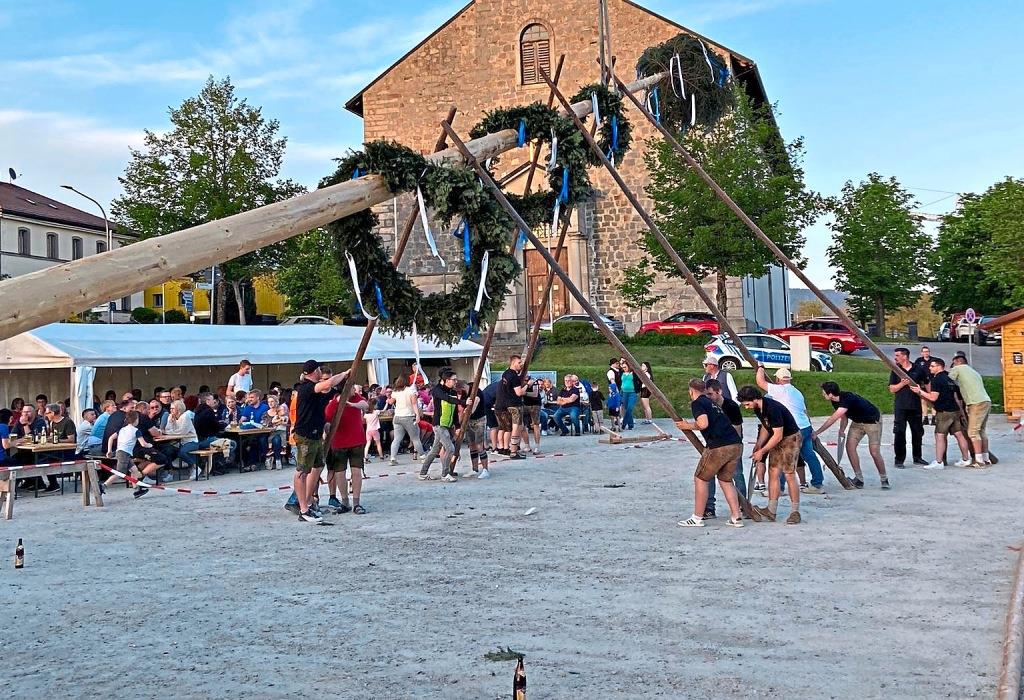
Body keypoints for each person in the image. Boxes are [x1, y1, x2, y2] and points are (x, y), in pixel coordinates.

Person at [288, 360, 351, 523]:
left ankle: (308, 502)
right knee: (301, 471)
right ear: (314, 371)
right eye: (318, 371)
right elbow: (328, 384)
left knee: (316, 468)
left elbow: (332, 389)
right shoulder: (306, 388)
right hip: (305, 436)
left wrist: (344, 382)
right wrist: (344, 373)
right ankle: (303, 509)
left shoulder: (318, 390)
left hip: (316, 436)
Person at [675, 379, 744, 528]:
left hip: (719, 446)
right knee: (726, 480)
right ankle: (736, 517)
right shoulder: (711, 402)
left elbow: (703, 424)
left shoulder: (698, 403)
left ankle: (697, 517)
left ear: (691, 391)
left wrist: (687, 425)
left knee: (700, 478)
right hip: (736, 444)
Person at [737, 385, 802, 525]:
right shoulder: (758, 408)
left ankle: (795, 512)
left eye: (747, 404)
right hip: (777, 439)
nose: (747, 407)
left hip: (790, 439)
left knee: (789, 474)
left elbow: (778, 435)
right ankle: (771, 510)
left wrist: (762, 451)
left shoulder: (772, 408)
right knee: (773, 473)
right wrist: (758, 444)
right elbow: (766, 428)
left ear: (755, 399)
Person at [755, 366, 825, 495]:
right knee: (810, 456)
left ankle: (779, 489)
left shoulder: (780, 390)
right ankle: (817, 484)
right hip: (805, 426)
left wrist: (760, 368)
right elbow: (805, 411)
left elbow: (760, 382)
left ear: (778, 379)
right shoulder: (797, 392)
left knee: (783, 456)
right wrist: (811, 428)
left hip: (793, 429)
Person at [815, 382, 889, 489]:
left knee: (874, 452)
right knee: (850, 447)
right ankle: (859, 479)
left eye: (824, 392)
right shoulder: (835, 401)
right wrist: (842, 430)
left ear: (830, 394)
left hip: (872, 421)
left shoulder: (847, 398)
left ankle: (884, 479)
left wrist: (817, 432)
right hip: (857, 422)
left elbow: (833, 418)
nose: (822, 394)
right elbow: (844, 417)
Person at [911, 357, 971, 469]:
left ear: (939, 366)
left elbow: (933, 397)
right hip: (955, 410)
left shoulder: (937, 380)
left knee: (939, 436)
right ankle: (966, 459)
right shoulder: (949, 377)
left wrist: (919, 391)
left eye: (932, 366)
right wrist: (961, 412)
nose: (930, 368)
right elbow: (957, 397)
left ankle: (939, 462)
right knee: (959, 434)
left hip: (944, 412)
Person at [704, 378, 748, 519]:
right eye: (706, 395)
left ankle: (744, 506)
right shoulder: (707, 406)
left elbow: (737, 430)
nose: (708, 397)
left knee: (737, 475)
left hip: (731, 446)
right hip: (714, 446)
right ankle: (709, 508)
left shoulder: (731, 406)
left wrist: (734, 450)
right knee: (708, 475)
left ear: (719, 391)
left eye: (710, 394)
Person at [325, 384, 368, 514]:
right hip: (339, 442)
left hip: (357, 440)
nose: (354, 390)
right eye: (351, 388)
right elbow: (327, 417)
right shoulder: (333, 402)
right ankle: (344, 501)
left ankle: (356, 503)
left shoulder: (356, 398)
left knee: (356, 472)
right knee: (340, 473)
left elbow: (365, 405)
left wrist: (351, 404)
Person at [418, 369, 465, 481]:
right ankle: (445, 475)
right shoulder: (437, 390)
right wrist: (463, 402)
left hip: (447, 425)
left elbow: (453, 411)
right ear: (446, 380)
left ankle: (422, 473)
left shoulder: (453, 392)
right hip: (439, 424)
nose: (455, 382)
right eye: (454, 379)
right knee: (450, 448)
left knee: (434, 450)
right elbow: (447, 399)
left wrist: (457, 426)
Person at [888, 347, 928, 468]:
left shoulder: (918, 369)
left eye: (898, 355)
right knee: (899, 432)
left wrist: (924, 392)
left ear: (905, 356)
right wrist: (902, 384)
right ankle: (899, 460)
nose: (895, 358)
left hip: (915, 406)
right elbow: (891, 389)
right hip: (901, 406)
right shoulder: (896, 370)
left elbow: (926, 383)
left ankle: (917, 457)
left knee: (917, 432)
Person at [948, 355, 992, 467]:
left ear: (957, 362)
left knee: (972, 432)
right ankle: (986, 458)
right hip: (986, 401)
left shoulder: (958, 368)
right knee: (981, 430)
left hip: (975, 403)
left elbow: (948, 381)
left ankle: (978, 460)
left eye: (953, 364)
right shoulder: (973, 371)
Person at [106, 410, 156, 499]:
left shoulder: (122, 429)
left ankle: (137, 490)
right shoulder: (136, 431)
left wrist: (109, 450)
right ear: (136, 420)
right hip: (124, 453)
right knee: (120, 473)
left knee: (134, 470)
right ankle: (103, 486)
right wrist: (150, 445)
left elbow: (111, 438)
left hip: (120, 452)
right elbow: (143, 444)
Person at [493, 355, 528, 460]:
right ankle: (513, 451)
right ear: (513, 363)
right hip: (515, 404)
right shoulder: (514, 376)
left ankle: (508, 448)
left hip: (507, 404)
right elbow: (519, 392)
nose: (521, 365)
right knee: (516, 428)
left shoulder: (506, 373)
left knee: (507, 428)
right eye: (519, 363)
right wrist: (528, 385)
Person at [389, 375, 425, 466]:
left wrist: (388, 400)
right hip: (408, 416)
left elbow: (391, 402)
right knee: (415, 438)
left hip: (397, 417)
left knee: (397, 439)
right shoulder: (411, 390)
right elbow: (414, 403)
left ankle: (393, 458)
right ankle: (423, 457)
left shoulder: (395, 391)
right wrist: (417, 415)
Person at [461, 380, 491, 479]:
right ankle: (474, 469)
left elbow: (476, 400)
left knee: (479, 445)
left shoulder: (475, 390)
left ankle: (485, 469)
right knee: (472, 445)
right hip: (469, 421)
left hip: (479, 420)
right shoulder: (463, 393)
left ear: (462, 387)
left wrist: (469, 411)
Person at [238, 390, 270, 471]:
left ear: (258, 398)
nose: (249, 399)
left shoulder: (265, 407)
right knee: (243, 442)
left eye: (252, 397)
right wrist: (242, 422)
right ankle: (249, 464)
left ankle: (265, 459)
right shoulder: (247, 408)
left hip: (263, 432)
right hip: (250, 433)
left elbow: (268, 421)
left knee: (259, 440)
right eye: (249, 397)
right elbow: (241, 421)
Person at [262, 394, 288, 469]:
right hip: (268, 432)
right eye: (269, 402)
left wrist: (277, 422)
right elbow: (265, 423)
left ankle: (278, 460)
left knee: (277, 439)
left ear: (276, 402)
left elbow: (285, 421)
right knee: (262, 439)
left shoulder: (281, 411)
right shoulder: (265, 413)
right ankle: (268, 458)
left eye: (272, 401)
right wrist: (277, 422)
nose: (270, 403)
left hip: (279, 432)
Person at [522, 372, 543, 455]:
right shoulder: (521, 381)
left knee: (535, 425)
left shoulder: (533, 381)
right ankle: (527, 445)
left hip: (535, 404)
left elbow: (535, 394)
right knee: (523, 426)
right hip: (525, 404)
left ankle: (537, 446)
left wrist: (524, 393)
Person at [914, 346, 936, 425]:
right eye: (924, 351)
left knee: (933, 400)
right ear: (922, 353)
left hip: (932, 381)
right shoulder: (919, 361)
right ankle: (925, 417)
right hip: (922, 382)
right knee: (923, 400)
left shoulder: (933, 360)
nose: (926, 353)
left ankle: (934, 417)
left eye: (927, 351)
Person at [619, 359, 638, 430]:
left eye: (625, 367)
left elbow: (638, 381)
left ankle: (624, 424)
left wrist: (638, 390)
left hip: (632, 393)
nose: (624, 369)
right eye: (623, 367)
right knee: (626, 408)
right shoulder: (622, 373)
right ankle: (630, 424)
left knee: (630, 408)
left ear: (629, 366)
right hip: (624, 392)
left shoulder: (634, 373)